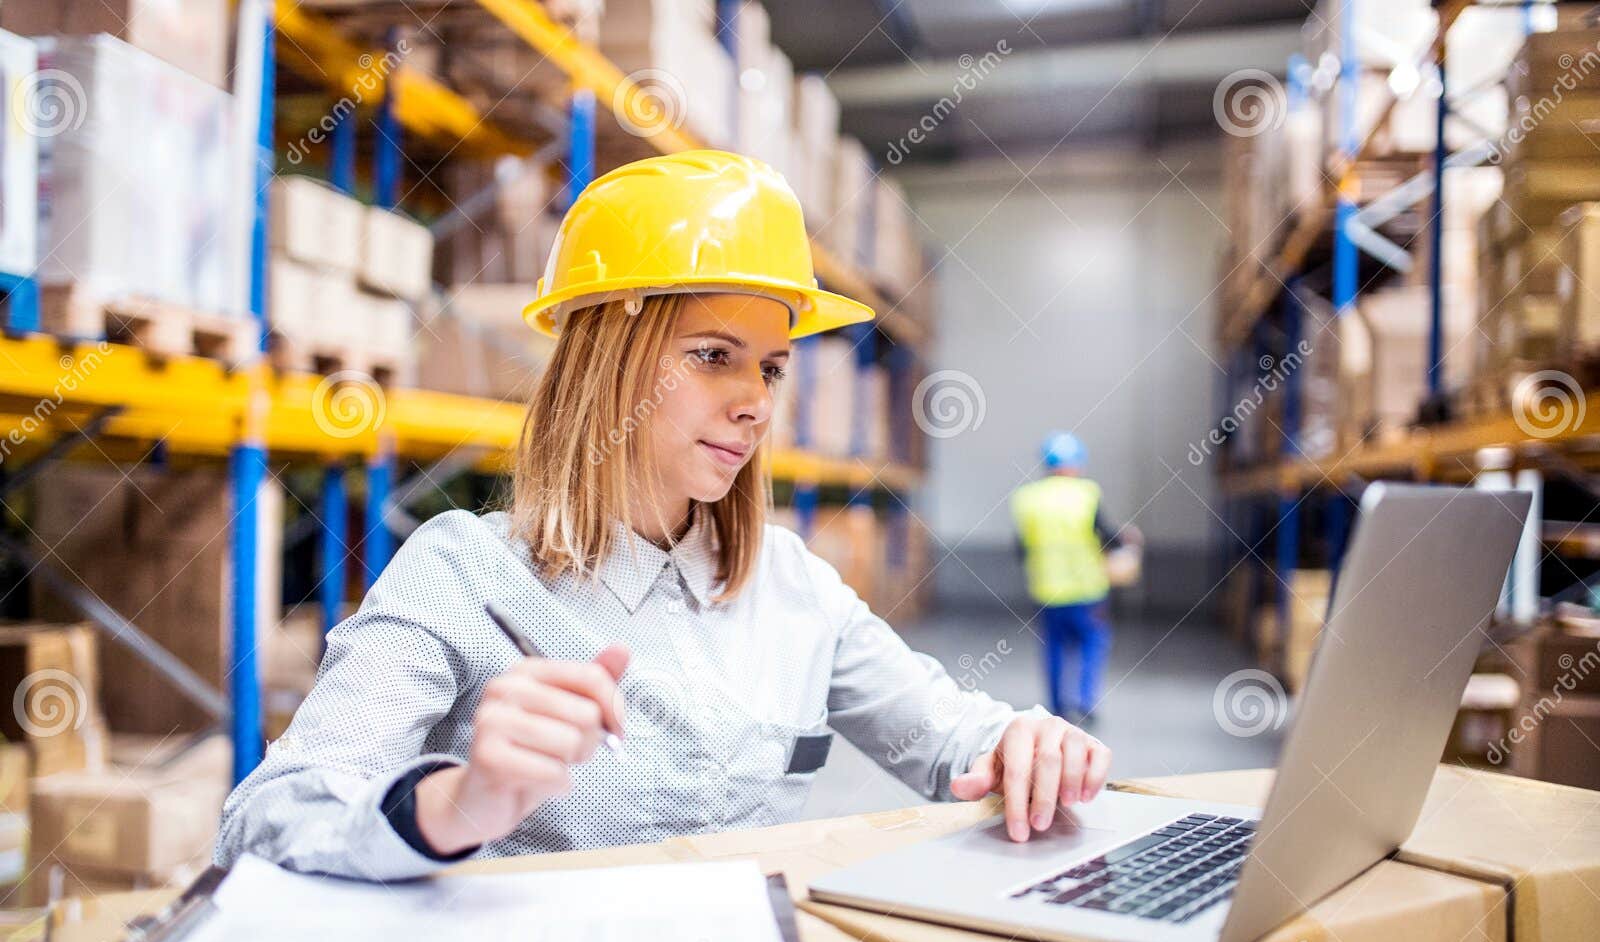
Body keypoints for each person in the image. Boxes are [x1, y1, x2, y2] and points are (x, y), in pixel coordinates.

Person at [216, 151, 1112, 881]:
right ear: (610, 358)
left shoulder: (793, 587)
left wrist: (1024, 742)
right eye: (714, 355)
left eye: (768, 367)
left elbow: (955, 738)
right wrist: (448, 805)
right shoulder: (462, 575)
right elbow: (262, 821)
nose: (756, 403)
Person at [1010, 432, 1128, 726]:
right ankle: (1086, 703)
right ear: (1077, 464)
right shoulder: (1087, 493)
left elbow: (1021, 549)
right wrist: (1126, 541)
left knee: (1053, 647)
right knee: (1092, 643)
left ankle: (1056, 707)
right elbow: (1108, 537)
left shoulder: (1027, 498)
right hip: (1087, 590)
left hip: (1046, 590)